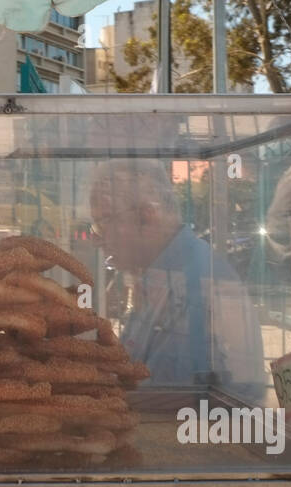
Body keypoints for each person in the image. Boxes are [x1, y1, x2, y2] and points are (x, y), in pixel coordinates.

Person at [88, 159, 268, 403]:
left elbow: (161, 400)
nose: (97, 238)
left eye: (104, 222)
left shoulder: (194, 287)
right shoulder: (159, 276)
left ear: (147, 216)